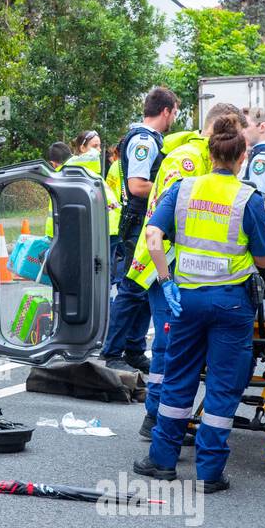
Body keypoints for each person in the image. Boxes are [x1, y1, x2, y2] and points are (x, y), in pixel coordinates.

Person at [131, 113, 265, 492]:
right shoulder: (249, 198)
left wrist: (166, 281)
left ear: (210, 154)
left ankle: (162, 461)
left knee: (178, 379)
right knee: (223, 386)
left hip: (187, 300)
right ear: (242, 156)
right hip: (231, 304)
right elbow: (264, 260)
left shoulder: (182, 189)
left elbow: (152, 237)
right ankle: (209, 473)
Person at [125, 102, 242, 439]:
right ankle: (157, 420)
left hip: (179, 264)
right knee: (168, 344)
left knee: (173, 343)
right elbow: (168, 221)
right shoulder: (187, 160)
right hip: (163, 264)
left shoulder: (207, 159)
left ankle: (161, 417)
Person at [101, 87, 178, 372]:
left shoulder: (150, 139)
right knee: (132, 287)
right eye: (174, 113)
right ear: (166, 110)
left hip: (144, 219)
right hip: (138, 221)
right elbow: (137, 185)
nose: (174, 119)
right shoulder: (144, 140)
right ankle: (112, 353)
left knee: (146, 286)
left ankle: (134, 349)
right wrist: (172, 193)